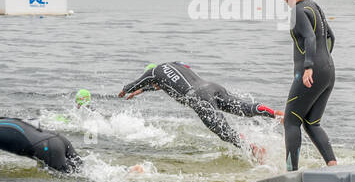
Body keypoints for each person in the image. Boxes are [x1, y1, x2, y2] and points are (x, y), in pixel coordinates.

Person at [119, 63, 279, 154]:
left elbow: (135, 84)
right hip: (211, 86)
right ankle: (275, 114)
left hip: (199, 98)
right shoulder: (175, 65)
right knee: (243, 108)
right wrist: (146, 89)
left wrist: (125, 91)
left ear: (155, 79)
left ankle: (253, 150)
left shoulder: (152, 72)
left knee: (223, 132)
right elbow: (171, 82)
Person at [281, 0, 337, 170]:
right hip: (329, 70)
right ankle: (333, 165)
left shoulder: (297, 12)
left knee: (291, 121)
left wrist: (309, 68)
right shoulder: (314, 6)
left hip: (312, 72)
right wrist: (323, 63)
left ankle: (290, 172)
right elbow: (331, 36)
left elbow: (310, 38)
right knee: (312, 123)